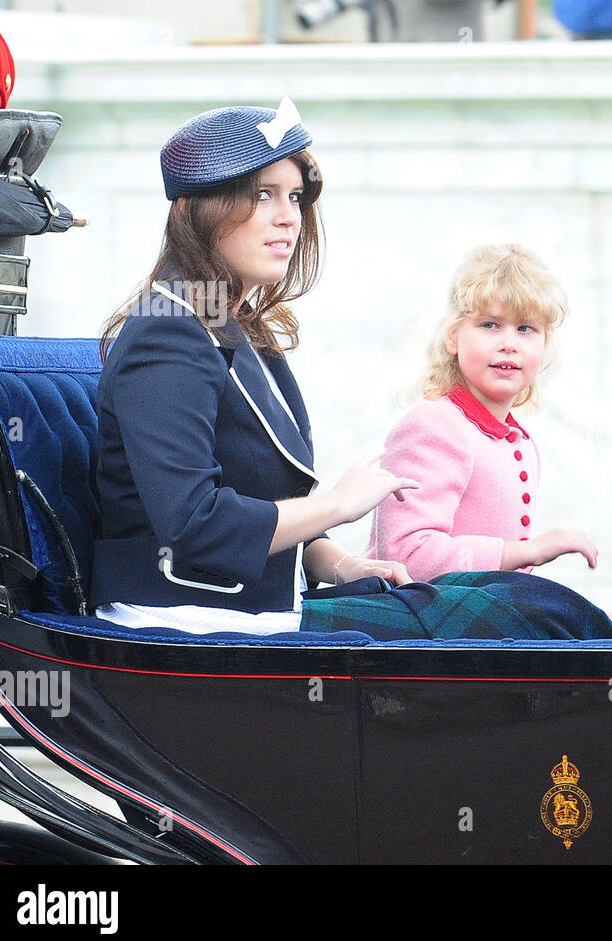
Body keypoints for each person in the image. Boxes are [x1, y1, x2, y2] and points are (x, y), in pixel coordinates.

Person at [92, 99, 418, 636]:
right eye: (261, 195)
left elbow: (266, 500)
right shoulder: (168, 330)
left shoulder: (234, 324)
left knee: (508, 601)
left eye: (293, 197)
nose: (289, 215)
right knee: (521, 615)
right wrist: (337, 504)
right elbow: (196, 525)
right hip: (186, 622)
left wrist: (338, 563)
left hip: (256, 611)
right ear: (197, 210)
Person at [367, 243, 612, 640]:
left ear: (545, 346)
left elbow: (504, 600)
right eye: (490, 325)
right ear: (452, 337)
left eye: (526, 328)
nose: (509, 343)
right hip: (418, 645)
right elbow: (408, 559)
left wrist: (602, 624)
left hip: (475, 639)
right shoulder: (433, 424)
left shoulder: (519, 441)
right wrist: (528, 552)